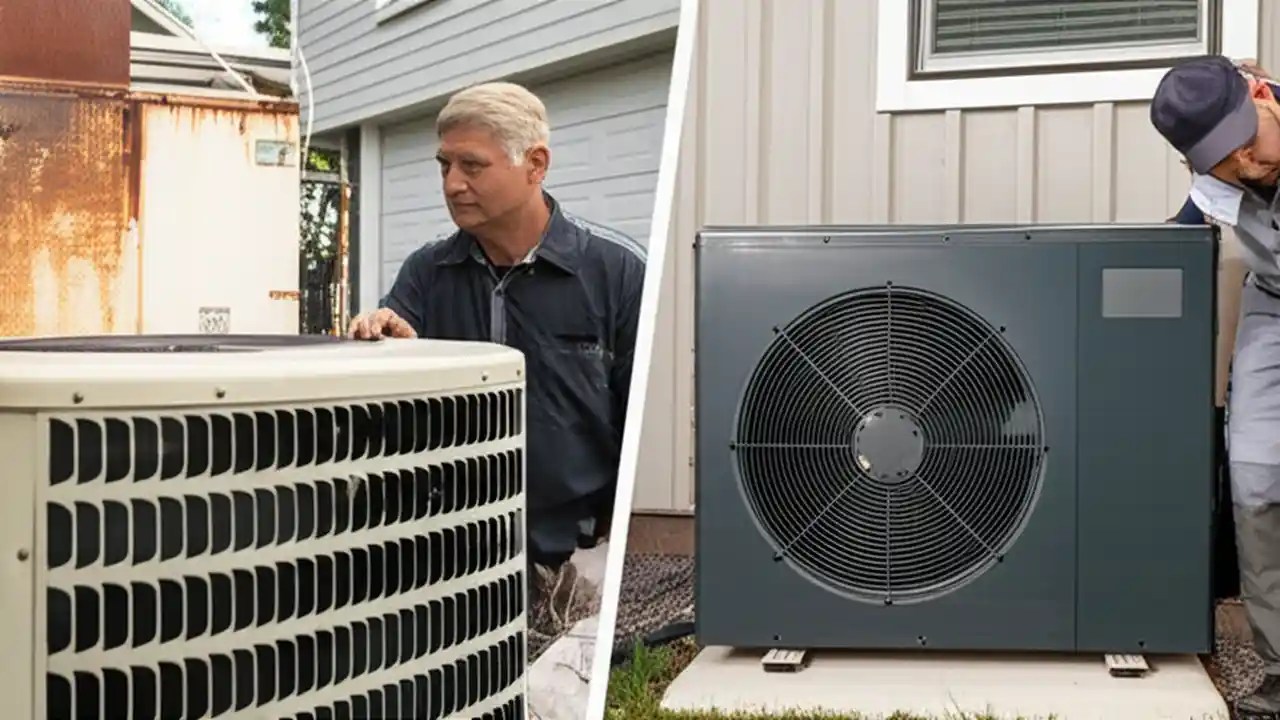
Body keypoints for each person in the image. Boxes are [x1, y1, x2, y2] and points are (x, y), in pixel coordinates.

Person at [346, 81, 646, 620]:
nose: (453, 184)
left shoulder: (615, 274)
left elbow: (639, 422)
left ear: (535, 164)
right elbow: (383, 406)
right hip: (447, 563)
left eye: (472, 166)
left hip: (573, 564)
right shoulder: (427, 274)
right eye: (444, 166)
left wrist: (609, 544)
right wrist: (381, 342)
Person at [1151, 55, 1280, 719]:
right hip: (1275, 304)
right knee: (1255, 472)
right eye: (1219, 159)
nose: (1242, 162)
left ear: (1262, 92)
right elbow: (1173, 253)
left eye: (1244, 139)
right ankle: (1278, 679)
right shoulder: (1219, 176)